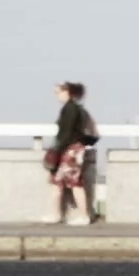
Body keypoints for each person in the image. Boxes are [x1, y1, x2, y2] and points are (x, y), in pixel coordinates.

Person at [43, 82, 97, 225]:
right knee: (62, 183)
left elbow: (65, 134)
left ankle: (81, 215)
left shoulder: (70, 109)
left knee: (71, 183)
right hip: (74, 149)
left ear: (67, 92)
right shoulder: (76, 109)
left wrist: (57, 151)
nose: (57, 96)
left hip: (70, 151)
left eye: (58, 92)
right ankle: (59, 214)